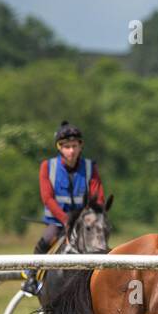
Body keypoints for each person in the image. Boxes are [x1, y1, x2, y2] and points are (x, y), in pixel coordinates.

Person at [21, 122, 106, 295]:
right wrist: (66, 220)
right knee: (46, 240)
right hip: (58, 221)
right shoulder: (47, 166)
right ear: (59, 147)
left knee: (100, 242)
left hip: (84, 223)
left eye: (74, 146)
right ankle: (30, 276)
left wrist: (91, 217)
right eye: (67, 147)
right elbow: (47, 198)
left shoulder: (90, 167)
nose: (71, 151)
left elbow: (99, 197)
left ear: (81, 146)